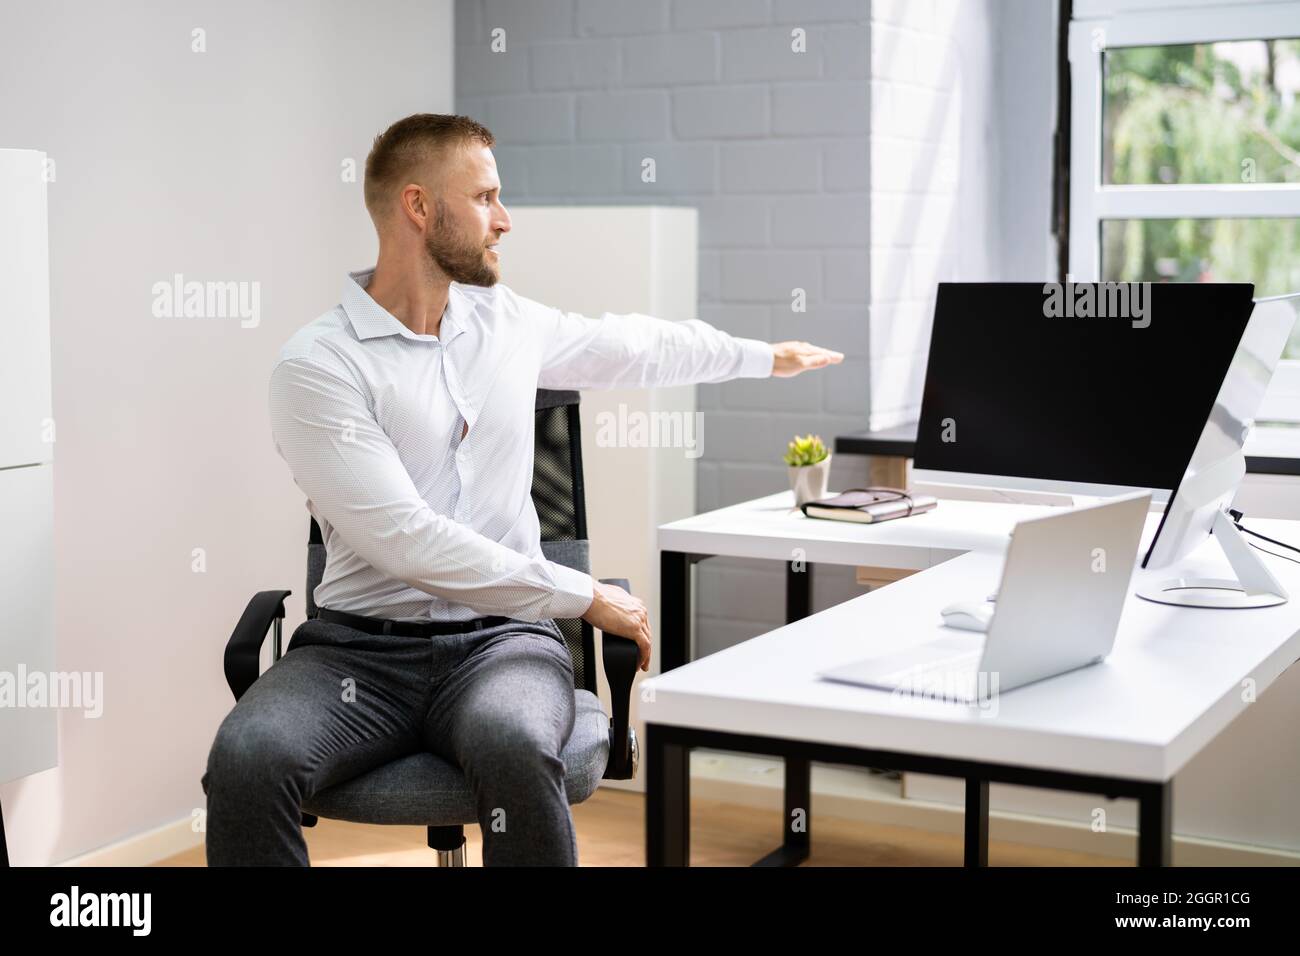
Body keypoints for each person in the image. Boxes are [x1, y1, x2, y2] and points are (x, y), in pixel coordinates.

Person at [202, 114, 843, 866]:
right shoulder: (320, 366)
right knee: (247, 758)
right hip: (355, 659)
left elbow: (635, 345)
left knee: (512, 742)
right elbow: (407, 539)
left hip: (500, 642)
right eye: (485, 198)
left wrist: (764, 357)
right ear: (418, 207)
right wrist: (582, 595)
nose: (503, 221)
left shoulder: (506, 324)